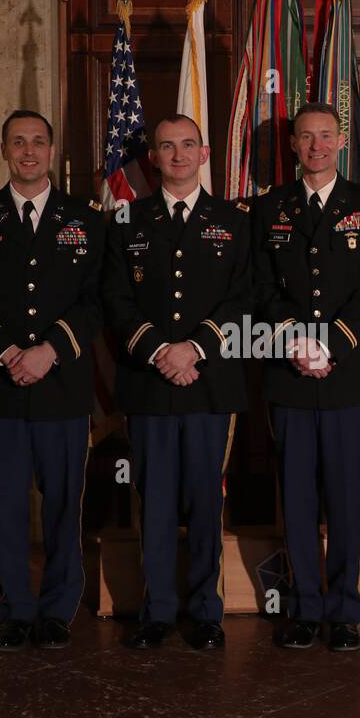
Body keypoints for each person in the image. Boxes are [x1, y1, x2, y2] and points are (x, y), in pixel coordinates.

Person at [0, 110, 103, 650]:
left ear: (51, 151)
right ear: (5, 150)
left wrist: (50, 351)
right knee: (4, 503)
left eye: (37, 141)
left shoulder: (86, 217)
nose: (28, 151)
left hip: (62, 387)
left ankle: (58, 609)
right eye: (18, 142)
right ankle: (15, 609)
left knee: (63, 503)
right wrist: (8, 351)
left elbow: (96, 300)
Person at [250, 102, 360, 652]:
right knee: (297, 494)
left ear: (341, 143)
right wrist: (295, 340)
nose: (316, 146)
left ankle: (343, 610)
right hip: (288, 373)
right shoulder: (268, 208)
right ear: (292, 145)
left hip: (346, 374)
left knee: (343, 494)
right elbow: (259, 284)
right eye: (305, 137)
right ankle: (305, 607)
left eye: (325, 136)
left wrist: (329, 343)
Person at [102, 114, 251, 650]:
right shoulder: (125, 220)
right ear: (155, 158)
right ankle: (157, 610)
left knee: (206, 500)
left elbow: (244, 297)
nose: (179, 155)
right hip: (149, 379)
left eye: (188, 145)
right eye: (168, 147)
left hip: (210, 381)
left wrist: (195, 348)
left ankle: (207, 611)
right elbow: (114, 300)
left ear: (205, 153)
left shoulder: (234, 221)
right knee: (156, 498)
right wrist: (161, 350)